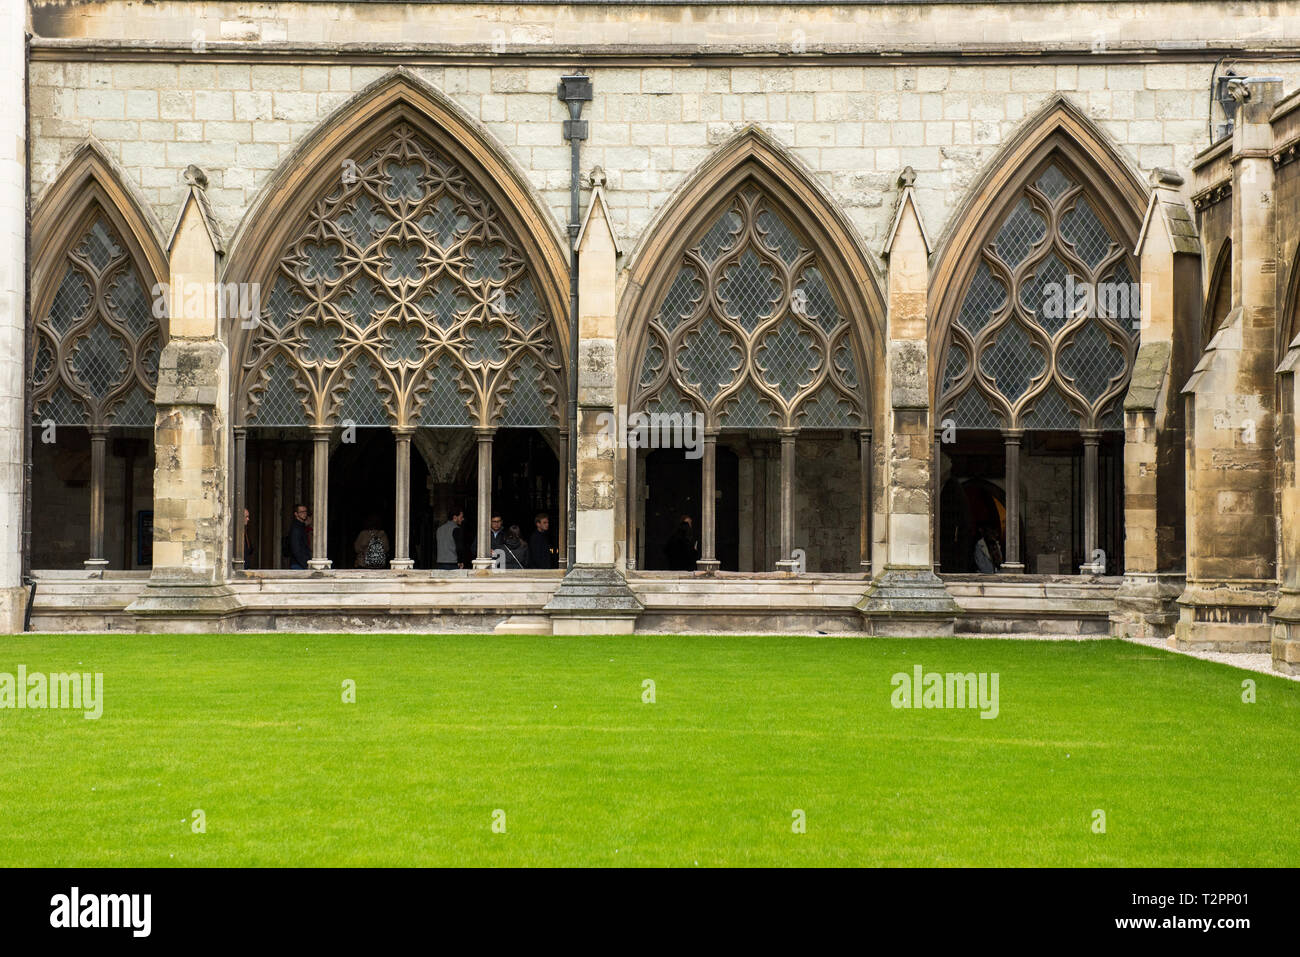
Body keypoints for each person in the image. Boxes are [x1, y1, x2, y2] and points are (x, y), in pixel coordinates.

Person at [288, 503, 311, 570]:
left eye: (305, 511)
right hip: (298, 564)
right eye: (301, 512)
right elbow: (296, 549)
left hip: (301, 563)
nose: (304, 514)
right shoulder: (296, 528)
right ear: (296, 514)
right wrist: (305, 564)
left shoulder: (301, 526)